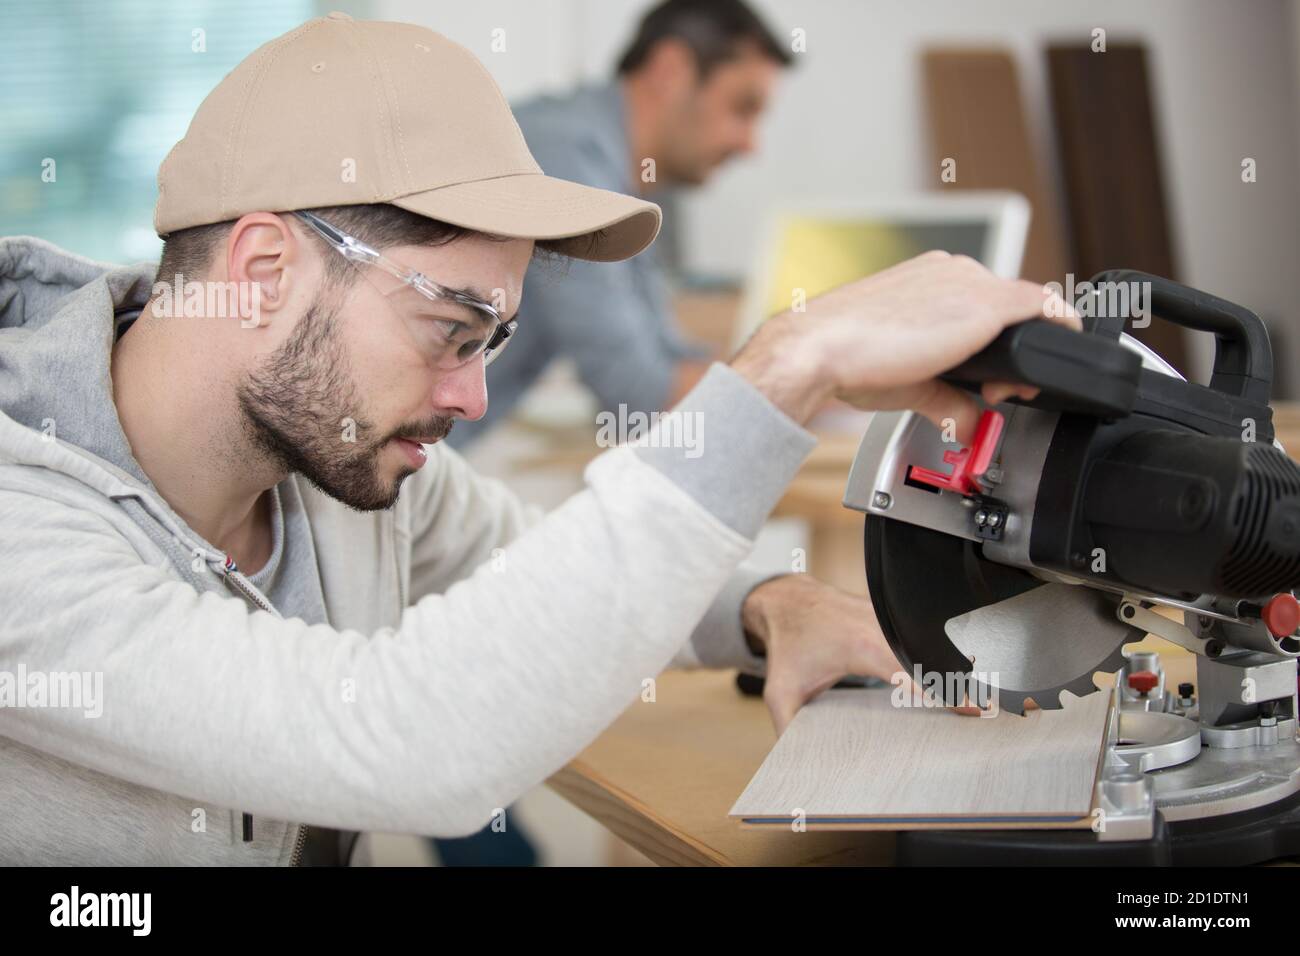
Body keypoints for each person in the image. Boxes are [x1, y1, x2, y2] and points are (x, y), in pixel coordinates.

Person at [0, 13, 1072, 865]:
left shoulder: (335, 463)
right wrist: (784, 366)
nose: (471, 397)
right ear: (265, 270)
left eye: (496, 339)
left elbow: (527, 555)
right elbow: (404, 744)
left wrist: (767, 606)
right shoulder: (20, 530)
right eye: (451, 329)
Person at [447, 0, 791, 447]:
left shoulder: (615, 173)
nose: (750, 145)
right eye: (743, 108)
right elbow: (641, 396)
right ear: (672, 69)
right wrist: (801, 370)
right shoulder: (565, 158)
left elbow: (666, 357)